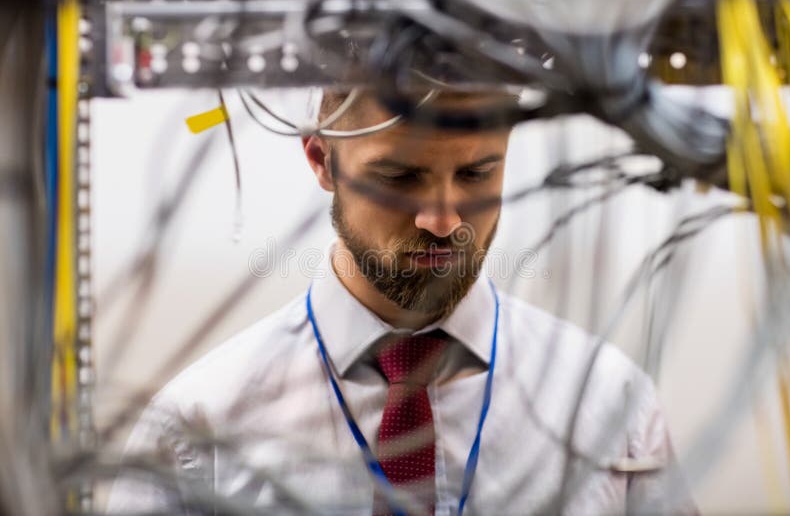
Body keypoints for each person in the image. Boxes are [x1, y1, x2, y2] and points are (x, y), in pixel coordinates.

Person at [107, 89, 695, 515]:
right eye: (398, 177)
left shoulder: (610, 404)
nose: (443, 221)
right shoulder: (198, 426)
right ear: (321, 161)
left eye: (476, 173)